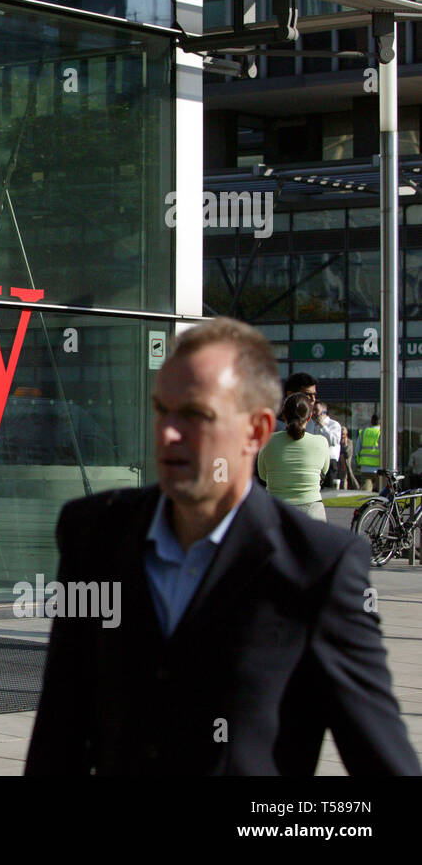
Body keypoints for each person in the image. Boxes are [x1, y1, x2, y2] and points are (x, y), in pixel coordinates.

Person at [24, 317, 418, 775]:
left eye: (195, 415)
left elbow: (384, 757)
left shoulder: (318, 566)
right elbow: (58, 730)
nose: (169, 433)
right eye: (162, 410)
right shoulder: (93, 532)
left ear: (256, 431)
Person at [258, 393, 331, 520]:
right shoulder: (321, 442)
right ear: (309, 418)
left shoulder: (267, 441)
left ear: (284, 416)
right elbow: (324, 471)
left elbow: (262, 475)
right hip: (312, 511)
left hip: (275, 510)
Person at [314, 403, 342, 489]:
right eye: (313, 410)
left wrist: (323, 427)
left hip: (329, 461)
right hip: (316, 461)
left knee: (328, 489)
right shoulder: (313, 425)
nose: (314, 413)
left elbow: (334, 441)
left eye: (316, 410)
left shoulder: (334, 424)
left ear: (324, 412)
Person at [359, 414, 382, 491]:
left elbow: (357, 450)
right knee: (381, 495)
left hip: (365, 468)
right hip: (379, 468)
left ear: (371, 421)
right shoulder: (382, 432)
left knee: (365, 495)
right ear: (380, 422)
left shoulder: (363, 432)